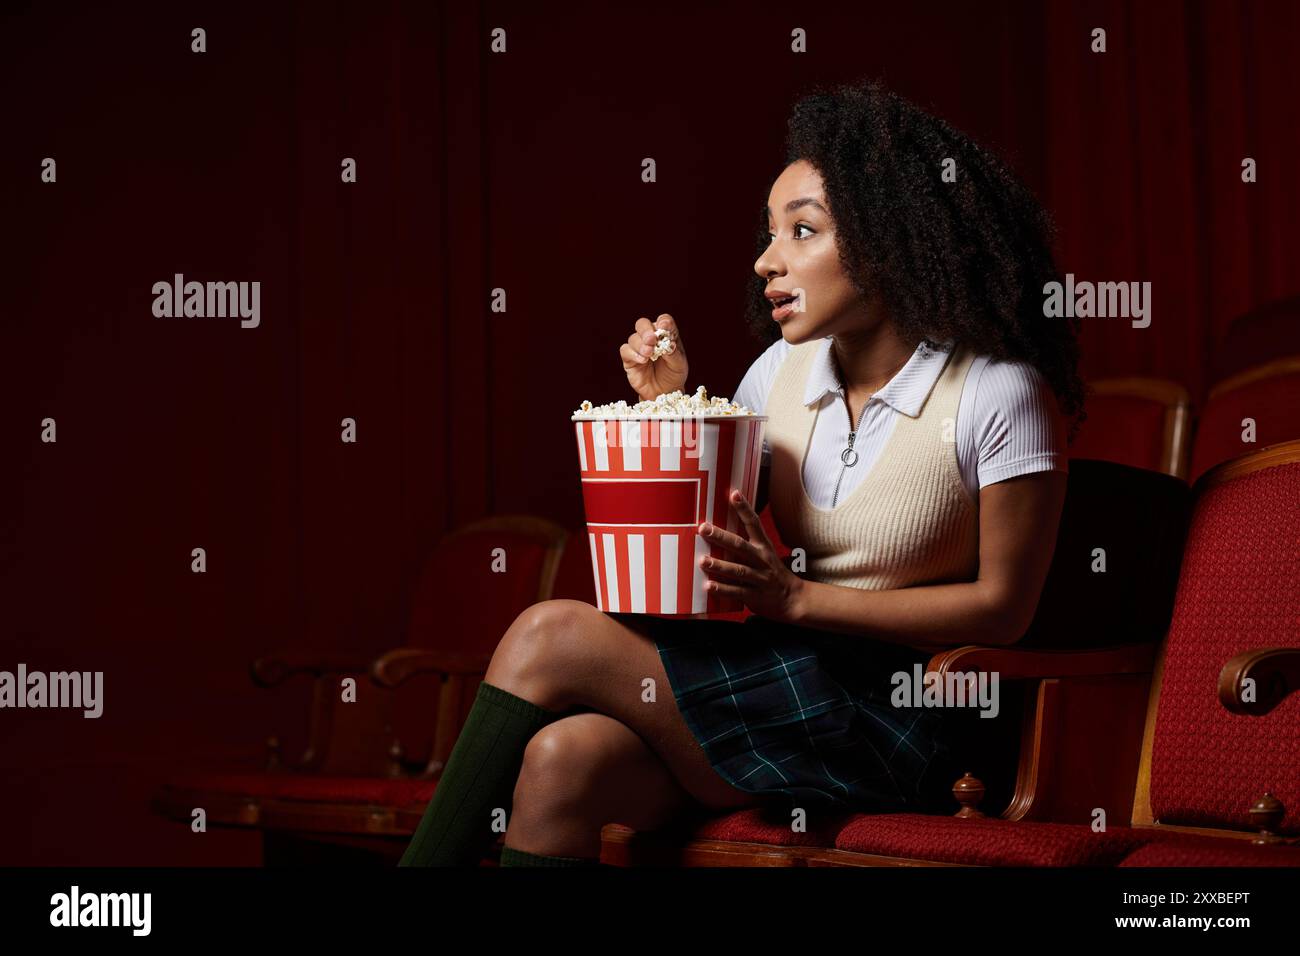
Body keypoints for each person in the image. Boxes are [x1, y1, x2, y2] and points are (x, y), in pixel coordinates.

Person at [398, 78, 1083, 867]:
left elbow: (1005, 610)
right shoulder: (774, 375)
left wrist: (796, 597)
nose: (767, 260)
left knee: (548, 631)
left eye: (802, 231)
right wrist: (673, 409)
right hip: (778, 676)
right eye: (770, 233)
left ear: (891, 237)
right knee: (561, 765)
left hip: (903, 713)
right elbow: (700, 567)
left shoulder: (998, 391)